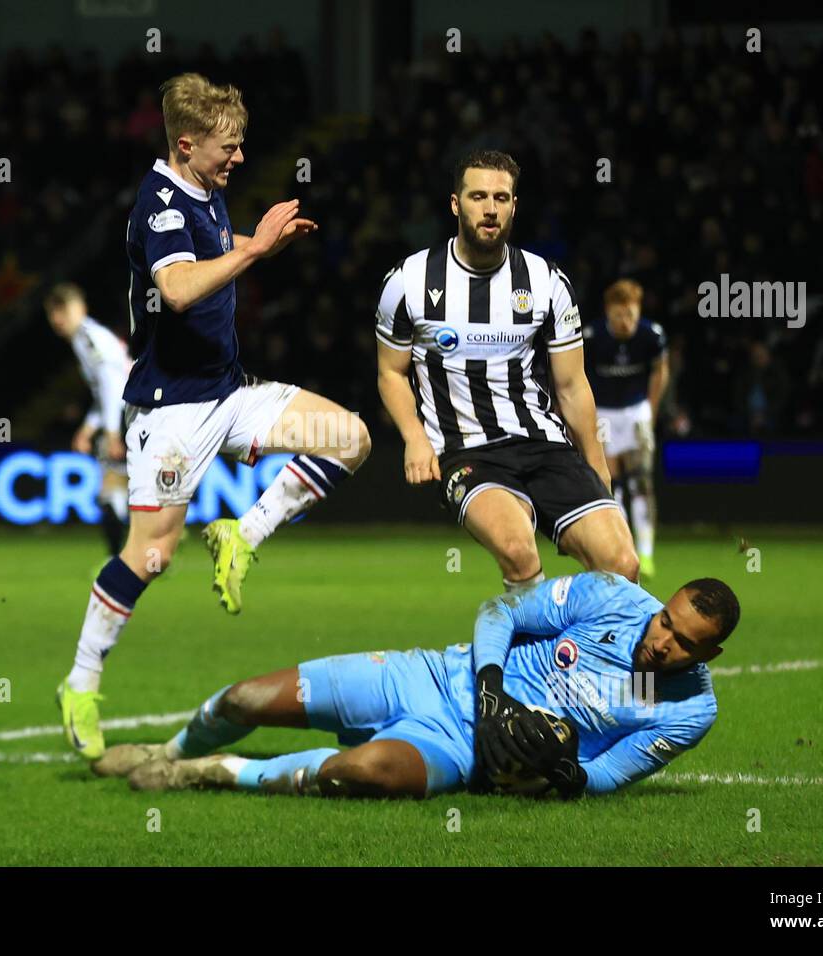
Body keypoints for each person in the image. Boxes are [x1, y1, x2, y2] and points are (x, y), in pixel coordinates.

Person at [57, 73, 371, 760]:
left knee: (349, 436)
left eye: (242, 145)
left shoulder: (204, 193)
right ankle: (80, 682)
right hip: (171, 411)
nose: (237, 159)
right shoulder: (160, 204)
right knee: (150, 555)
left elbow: (210, 255)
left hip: (229, 395)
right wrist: (254, 250)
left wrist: (256, 240)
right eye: (228, 148)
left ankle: (242, 534)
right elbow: (175, 287)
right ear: (187, 143)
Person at [95, 573, 739, 799]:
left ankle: (210, 773)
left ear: (710, 652)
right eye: (665, 622)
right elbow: (501, 611)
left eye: (683, 643)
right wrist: (490, 685)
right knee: (244, 698)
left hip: (464, 753)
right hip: (432, 675)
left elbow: (609, 776)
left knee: (358, 773)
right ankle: (169, 751)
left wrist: (562, 770)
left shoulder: (688, 711)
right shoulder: (612, 598)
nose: (661, 641)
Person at [376, 150, 638, 596]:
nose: (490, 208)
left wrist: (596, 466)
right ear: (456, 204)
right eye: (478, 196)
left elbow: (572, 386)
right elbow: (391, 372)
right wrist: (414, 437)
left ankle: (586, 660)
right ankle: (529, 663)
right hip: (465, 451)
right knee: (519, 552)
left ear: (515, 205)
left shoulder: (546, 281)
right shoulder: (408, 281)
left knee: (623, 563)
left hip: (543, 444)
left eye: (501, 197)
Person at [584, 279, 668, 578]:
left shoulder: (651, 335)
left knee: (641, 482)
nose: (626, 321)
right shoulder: (592, 337)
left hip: (635, 413)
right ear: (608, 312)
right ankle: (622, 549)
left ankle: (646, 554)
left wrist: (651, 410)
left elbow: (660, 370)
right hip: (604, 414)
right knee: (610, 485)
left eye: (631, 314)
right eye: (620, 315)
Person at [43, 283, 130, 554]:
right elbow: (104, 391)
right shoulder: (86, 338)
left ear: (78, 308)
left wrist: (112, 432)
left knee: (112, 491)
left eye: (62, 312)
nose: (57, 320)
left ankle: (122, 560)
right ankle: (144, 551)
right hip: (127, 413)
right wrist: (88, 428)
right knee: (123, 491)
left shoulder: (88, 338)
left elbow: (110, 383)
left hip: (131, 415)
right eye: (53, 313)